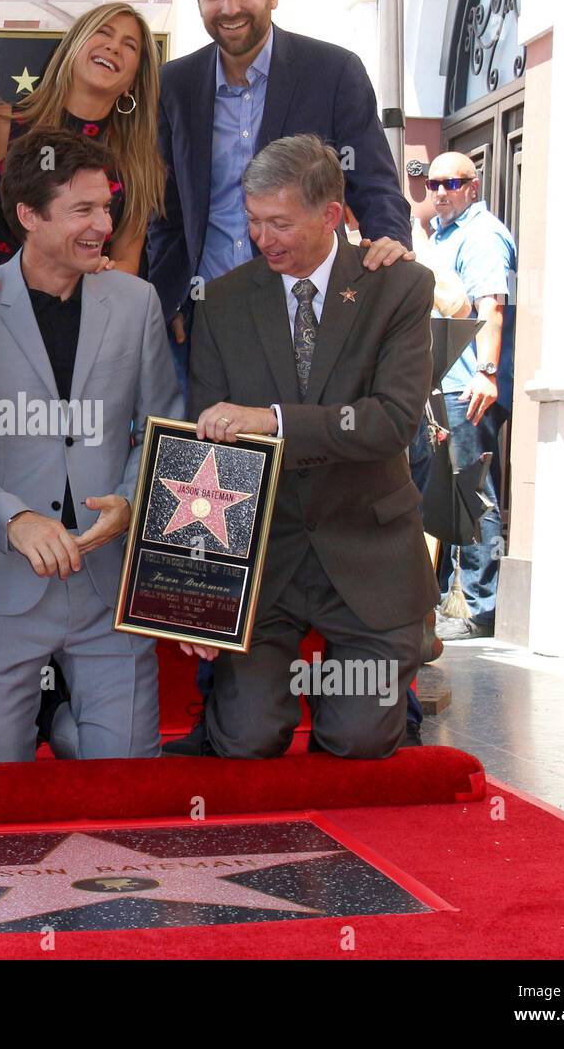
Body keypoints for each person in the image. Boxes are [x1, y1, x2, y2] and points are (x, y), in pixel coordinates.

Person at [0, 1, 167, 764]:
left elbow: (168, 425)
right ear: (27, 213)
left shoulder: (138, 303)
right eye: (84, 210)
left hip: (108, 591)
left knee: (125, 778)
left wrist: (133, 498)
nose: (104, 225)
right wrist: (12, 518)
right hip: (3, 586)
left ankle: (71, 728)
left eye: (109, 207)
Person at [186, 134, 437, 759]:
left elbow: (391, 422)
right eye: (252, 221)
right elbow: (206, 458)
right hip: (265, 563)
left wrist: (273, 421)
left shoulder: (398, 287)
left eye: (279, 223)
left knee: (357, 740)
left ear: (330, 215)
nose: (262, 238)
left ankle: (351, 698)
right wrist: (199, 591)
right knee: (246, 742)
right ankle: (253, 699)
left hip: (369, 555)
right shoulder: (220, 303)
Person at [147, 0, 413, 384]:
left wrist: (390, 241)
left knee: (302, 446)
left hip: (305, 315)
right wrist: (166, 295)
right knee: (214, 451)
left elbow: (373, 181)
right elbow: (165, 210)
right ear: (198, 0)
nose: (229, 8)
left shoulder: (334, 72)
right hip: (201, 321)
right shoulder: (173, 84)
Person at [0, 1, 165, 281]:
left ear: (134, 81)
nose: (113, 47)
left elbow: (127, 262)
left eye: (130, 45)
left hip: (86, 313)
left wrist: (101, 273)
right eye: (103, 32)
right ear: (73, 46)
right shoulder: (0, 126)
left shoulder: (138, 161)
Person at [422, 151, 516, 641]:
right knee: (447, 494)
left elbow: (490, 308)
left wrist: (486, 371)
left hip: (467, 385)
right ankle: (448, 601)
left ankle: (480, 609)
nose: (440, 191)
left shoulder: (481, 234)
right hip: (443, 382)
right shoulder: (442, 235)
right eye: (432, 183)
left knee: (473, 491)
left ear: (473, 186)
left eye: (452, 183)